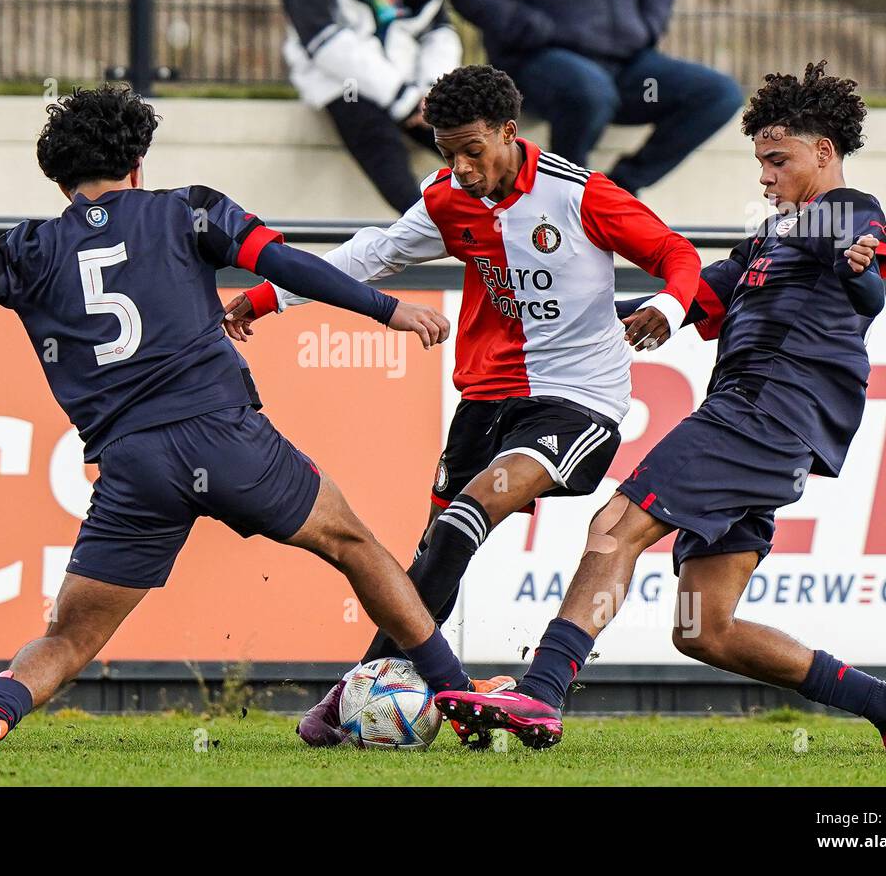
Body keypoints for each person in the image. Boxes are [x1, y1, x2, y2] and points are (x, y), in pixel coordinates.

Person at [0, 85, 508, 752]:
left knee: (70, 635)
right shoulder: (190, 211)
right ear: (138, 163)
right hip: (227, 436)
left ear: (59, 178)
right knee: (357, 546)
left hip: (134, 467)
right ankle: (456, 693)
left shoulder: (23, 253)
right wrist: (387, 309)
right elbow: (286, 263)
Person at [434, 62, 886, 754]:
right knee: (705, 629)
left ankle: (541, 692)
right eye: (760, 160)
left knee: (617, 523)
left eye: (778, 160)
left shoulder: (843, 213)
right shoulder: (771, 234)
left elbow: (867, 280)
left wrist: (860, 272)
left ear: (824, 153)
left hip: (766, 415)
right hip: (761, 426)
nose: (765, 176)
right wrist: (625, 312)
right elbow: (705, 291)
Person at [224, 64, 701, 747]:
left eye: (473, 151)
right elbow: (374, 254)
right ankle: (385, 689)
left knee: (468, 515)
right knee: (435, 549)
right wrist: (269, 296)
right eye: (446, 152)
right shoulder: (450, 197)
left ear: (510, 132)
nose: (461, 168)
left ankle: (399, 691)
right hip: (485, 397)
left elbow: (676, 254)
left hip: (578, 399)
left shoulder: (582, 195)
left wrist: (665, 306)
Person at [450, 0, 742, 196]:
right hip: (538, 58)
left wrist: (647, 27)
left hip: (628, 62)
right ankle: (562, 193)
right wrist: (536, 29)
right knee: (590, 92)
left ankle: (616, 190)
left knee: (719, 94)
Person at [282, 0, 462, 213]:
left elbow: (438, 28)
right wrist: (402, 98)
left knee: (461, 131)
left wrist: (432, 90)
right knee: (377, 139)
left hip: (413, 81)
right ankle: (433, 224)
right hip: (342, 82)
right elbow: (324, 42)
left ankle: (520, 203)